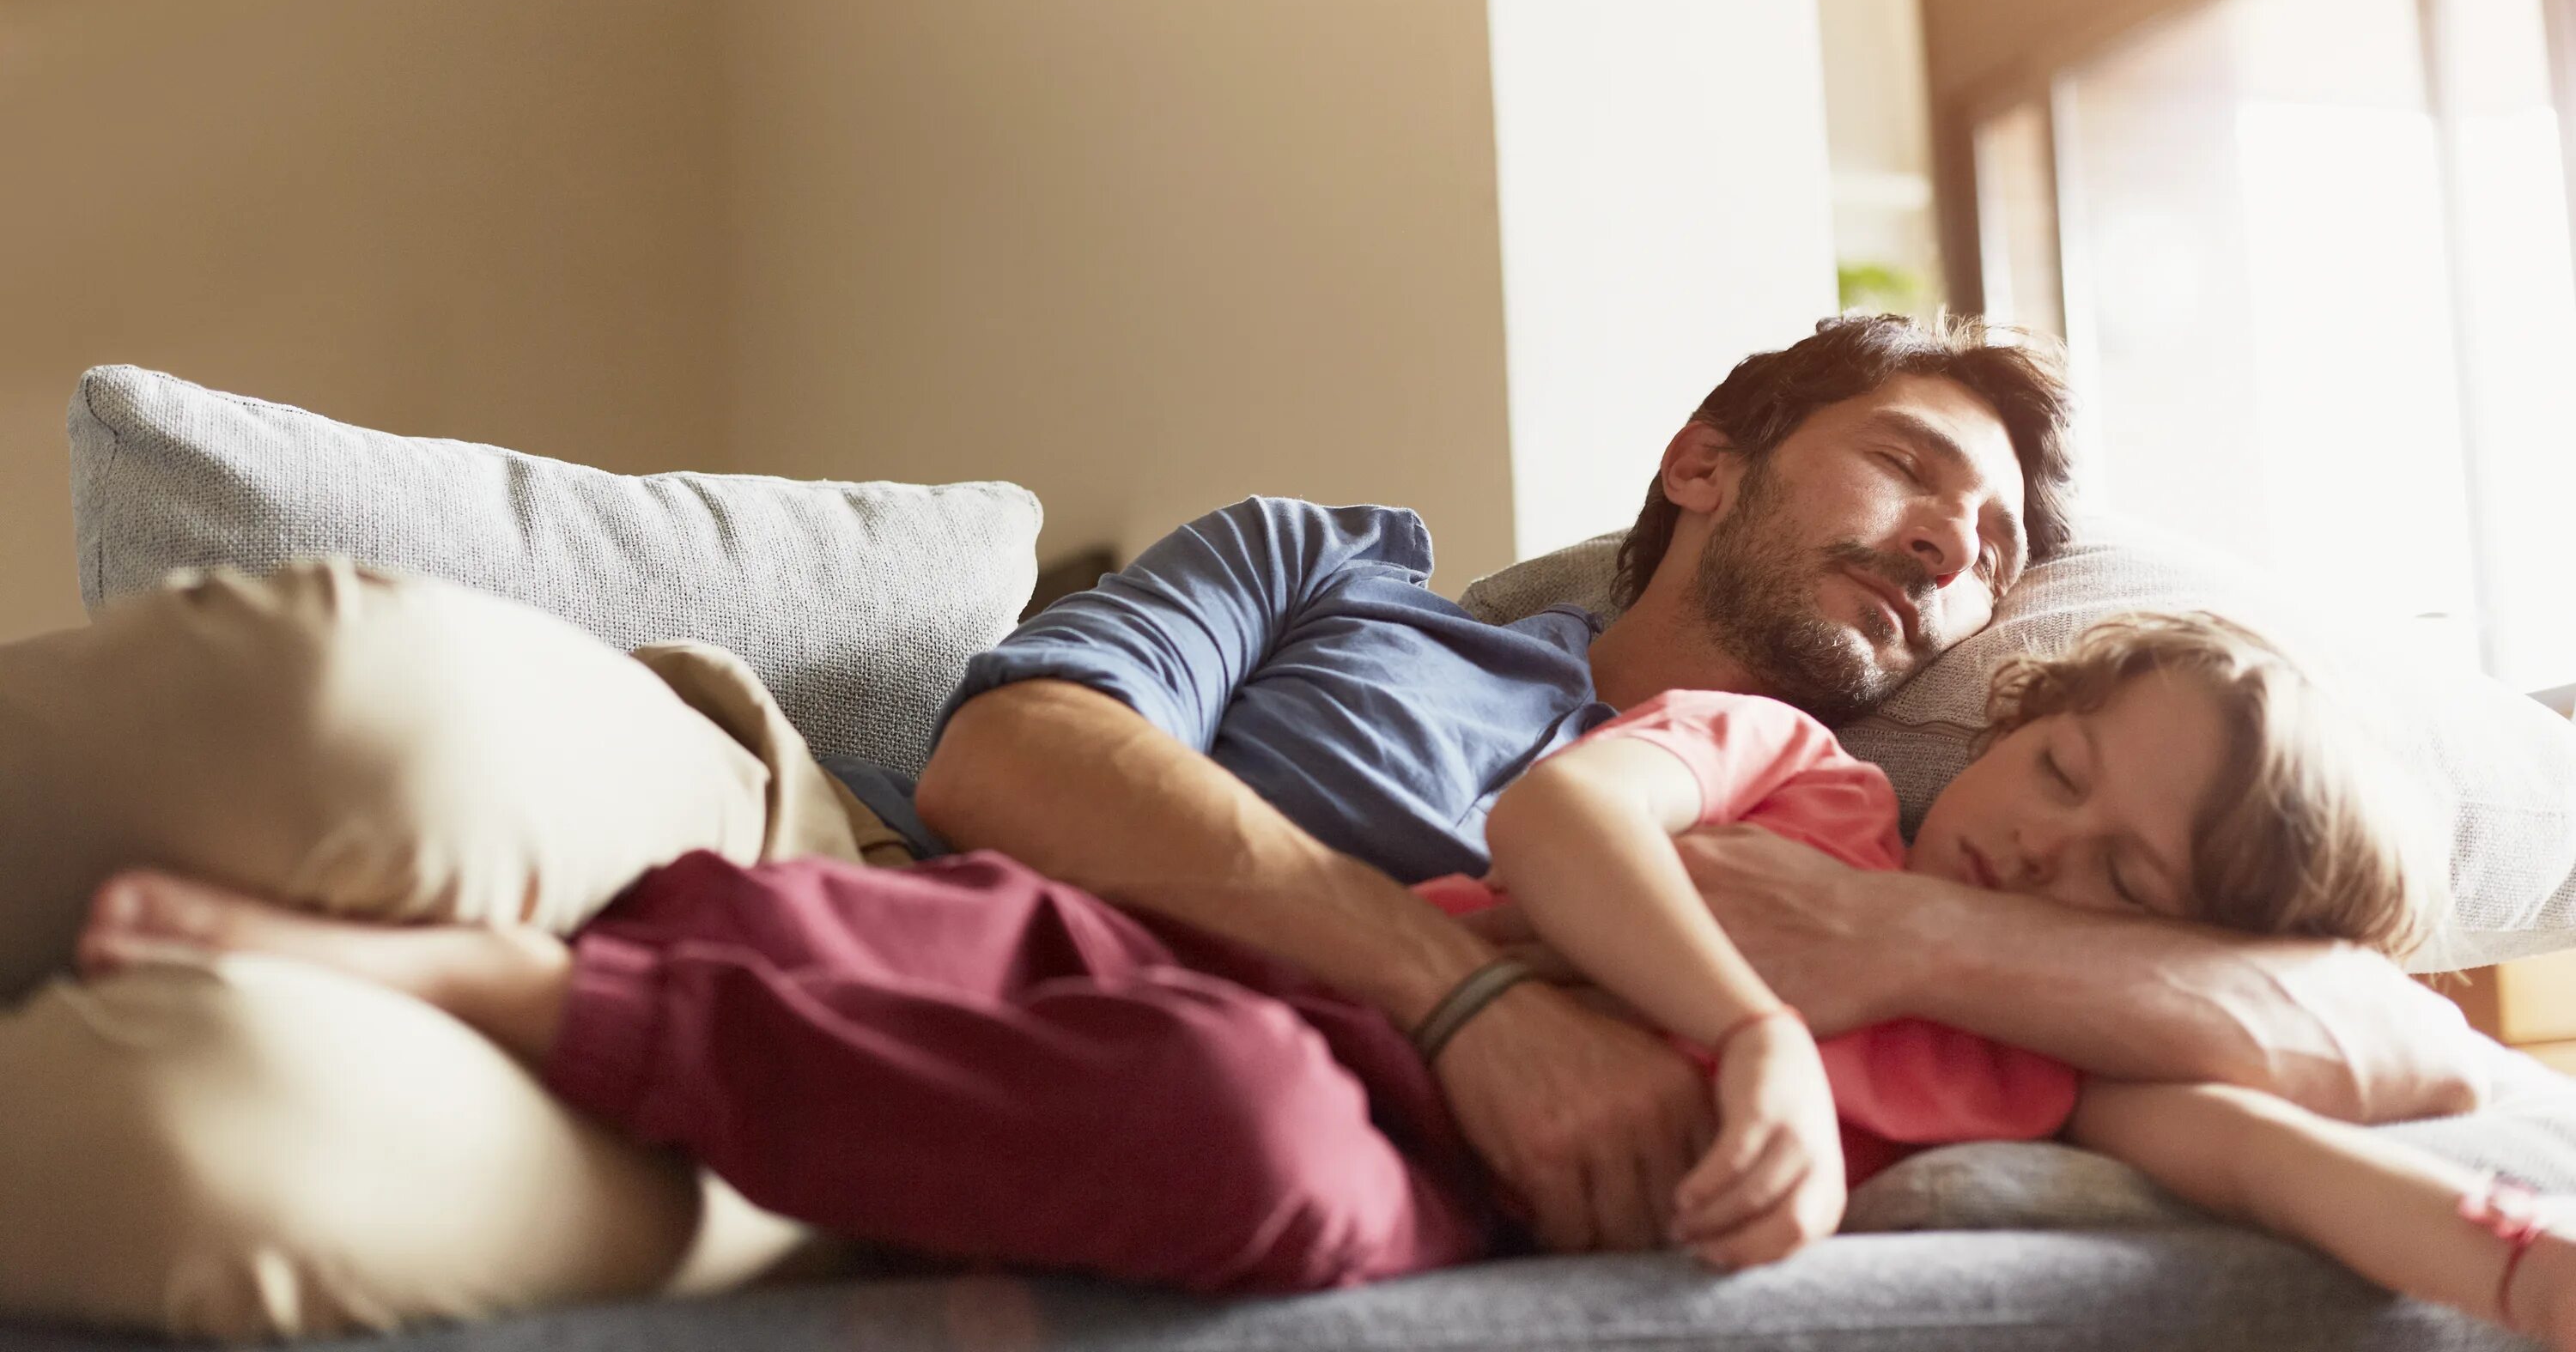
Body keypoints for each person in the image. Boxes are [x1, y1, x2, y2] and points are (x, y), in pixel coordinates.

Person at [69, 611, 2572, 1347]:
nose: (2048, 844)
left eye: (2124, 872)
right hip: (1340, 983)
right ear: (2020, 716)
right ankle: (496, 980)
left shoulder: (2063, 1043)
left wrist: (2489, 1260)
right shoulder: (1791, 768)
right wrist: (1753, 1027)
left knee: (1235, 1157)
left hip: (1399, 1173)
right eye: (2063, 772)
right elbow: (1562, 817)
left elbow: (2253, 1126)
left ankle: (526, 1002)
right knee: (987, 952)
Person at [911, 314, 2482, 1254]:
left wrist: (1919, 948)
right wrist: (1476, 1005)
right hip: (1011, 991)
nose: (1952, 547)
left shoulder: (1864, 853)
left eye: (1993, 552)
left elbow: (2390, 1031)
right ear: (1704, 462)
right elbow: (1005, 756)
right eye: (1913, 469)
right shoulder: (1320, 570)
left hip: (1295, 1171)